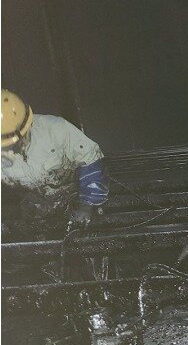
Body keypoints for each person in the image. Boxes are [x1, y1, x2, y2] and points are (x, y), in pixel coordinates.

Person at [1, 89, 108, 235]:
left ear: (25, 128)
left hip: (74, 195)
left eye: (11, 143)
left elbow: (91, 160)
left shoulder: (55, 129)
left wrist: (87, 205)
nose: (7, 149)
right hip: (32, 204)